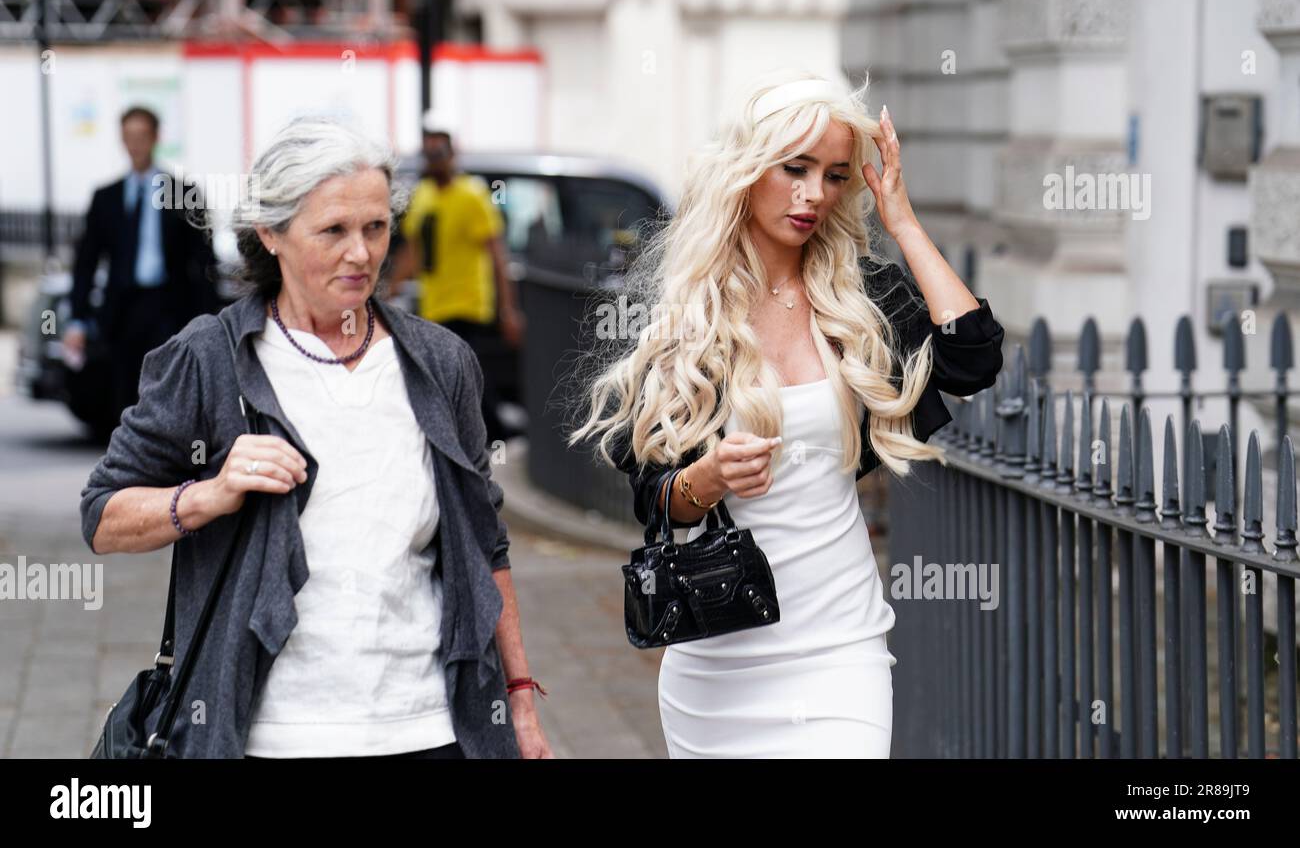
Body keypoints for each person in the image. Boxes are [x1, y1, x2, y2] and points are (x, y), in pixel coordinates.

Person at [79, 115, 552, 759]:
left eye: (376, 228)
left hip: (427, 728)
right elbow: (102, 517)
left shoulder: (441, 365)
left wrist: (519, 703)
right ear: (271, 232)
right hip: (270, 738)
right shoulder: (209, 359)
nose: (360, 253)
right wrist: (208, 494)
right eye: (333, 230)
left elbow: (485, 545)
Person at [568, 70, 1005, 758]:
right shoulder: (692, 318)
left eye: (834, 176)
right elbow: (658, 502)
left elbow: (973, 357)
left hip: (841, 646)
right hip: (719, 662)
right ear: (749, 169)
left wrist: (903, 221)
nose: (814, 195)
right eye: (794, 169)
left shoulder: (857, 299)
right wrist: (707, 477)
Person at [65, 105, 220, 431]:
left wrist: (209, 320)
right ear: (122, 139)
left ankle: (169, 456)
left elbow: (205, 259)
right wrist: (77, 318)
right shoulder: (105, 197)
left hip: (169, 305)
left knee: (170, 384)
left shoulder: (182, 192)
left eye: (142, 135)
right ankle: (129, 463)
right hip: (122, 309)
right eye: (129, 136)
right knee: (124, 388)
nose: (135, 143)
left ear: (155, 138)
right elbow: (86, 262)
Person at [388, 126, 525, 444]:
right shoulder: (423, 195)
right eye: (428, 154)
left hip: (468, 302)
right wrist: (390, 286)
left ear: (453, 155)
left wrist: (508, 308)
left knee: (468, 373)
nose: (434, 161)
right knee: (453, 373)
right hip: (436, 302)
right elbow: (413, 249)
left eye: (439, 153)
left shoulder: (471, 195)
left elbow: (497, 254)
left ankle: (495, 434)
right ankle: (482, 434)